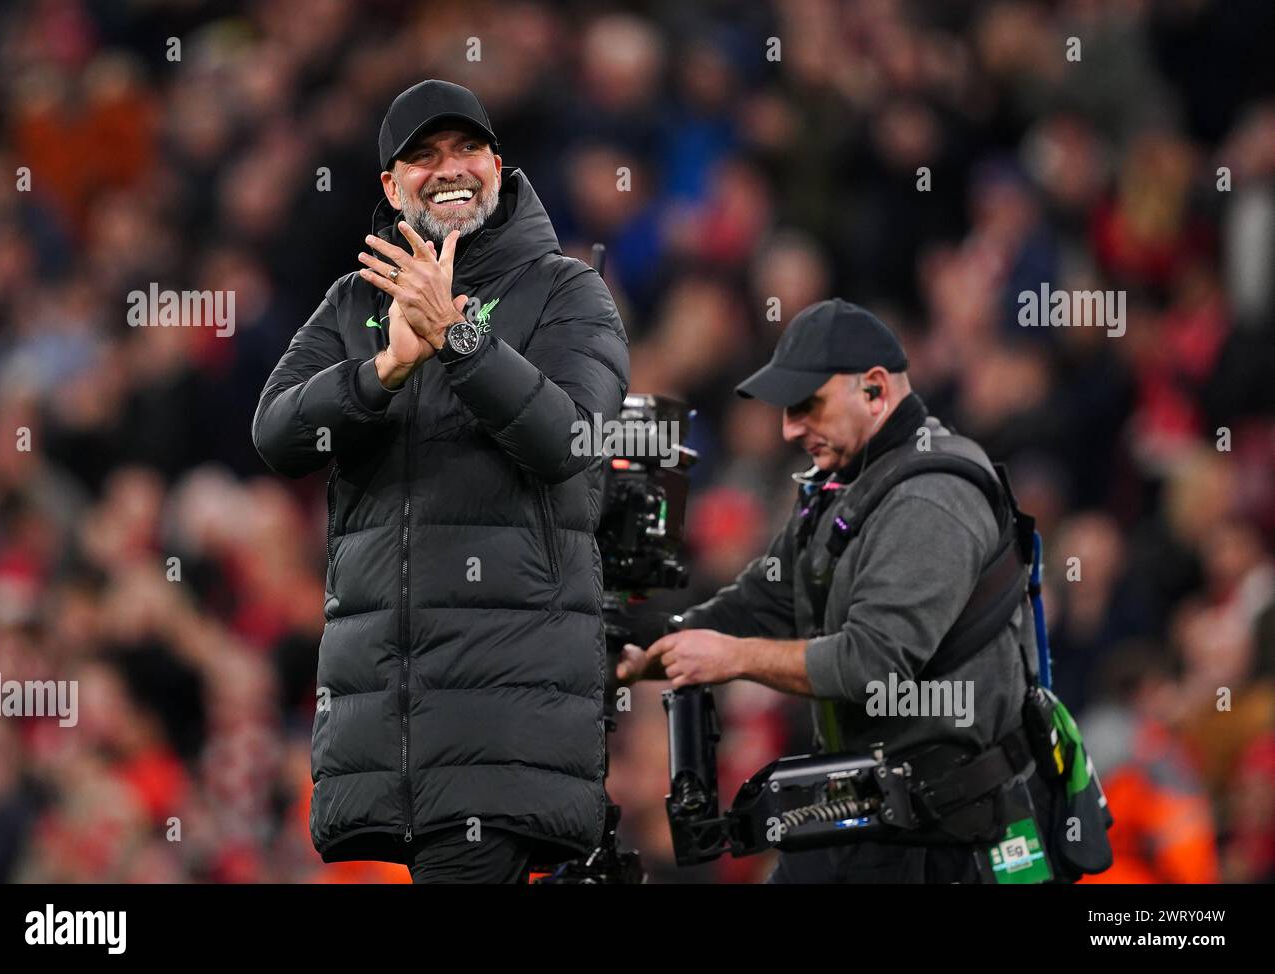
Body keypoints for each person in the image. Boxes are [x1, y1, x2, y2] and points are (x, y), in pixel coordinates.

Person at [253, 79, 630, 883]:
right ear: (391, 187)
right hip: (387, 737)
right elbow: (277, 434)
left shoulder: (567, 289)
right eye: (421, 156)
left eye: (465, 148)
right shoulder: (356, 299)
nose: (448, 168)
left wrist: (456, 336)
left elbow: (571, 437)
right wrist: (384, 367)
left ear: (499, 163)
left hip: (503, 723)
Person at [619, 299, 1057, 883]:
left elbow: (873, 665)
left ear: (875, 391)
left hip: (949, 838)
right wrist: (651, 649)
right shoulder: (841, 485)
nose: (789, 428)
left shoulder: (931, 499)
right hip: (866, 816)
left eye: (808, 406)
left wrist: (733, 659)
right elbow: (760, 604)